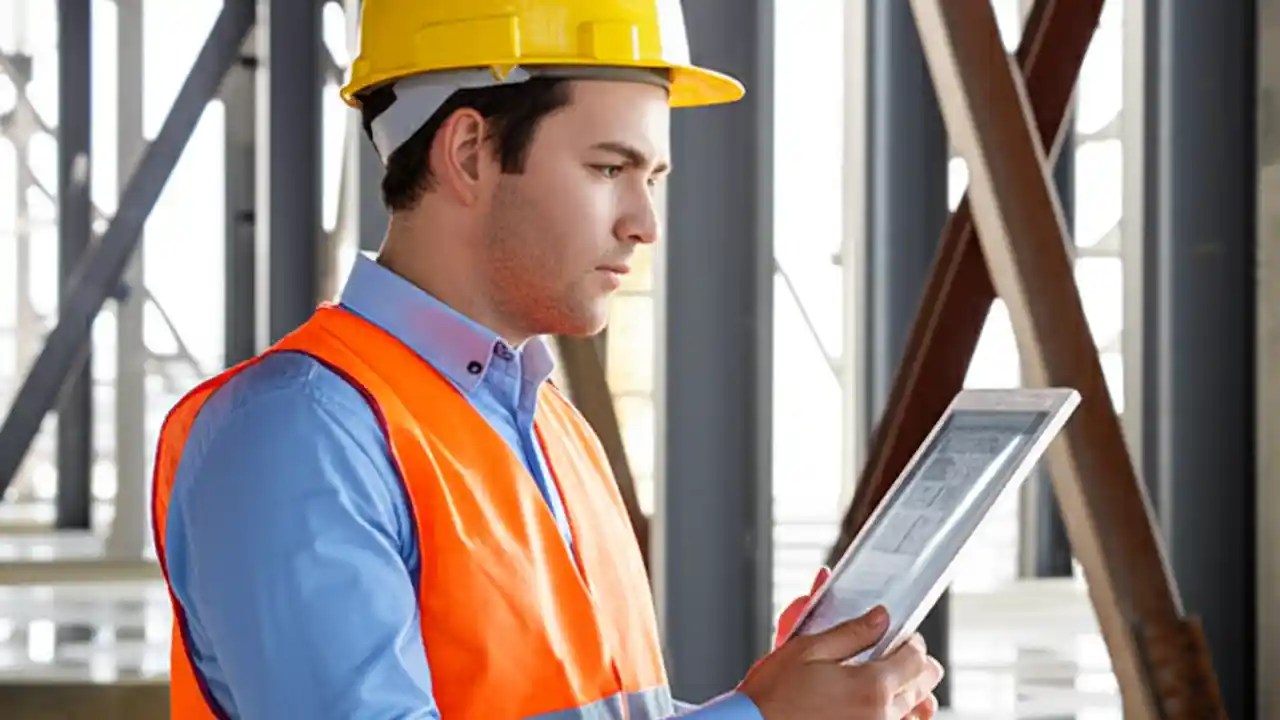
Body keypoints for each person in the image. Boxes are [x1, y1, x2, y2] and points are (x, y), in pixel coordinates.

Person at [150, 1, 945, 718]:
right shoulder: (296, 438)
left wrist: (795, 704)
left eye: (654, 177)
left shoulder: (552, 427)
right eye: (609, 169)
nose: (644, 223)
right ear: (469, 152)